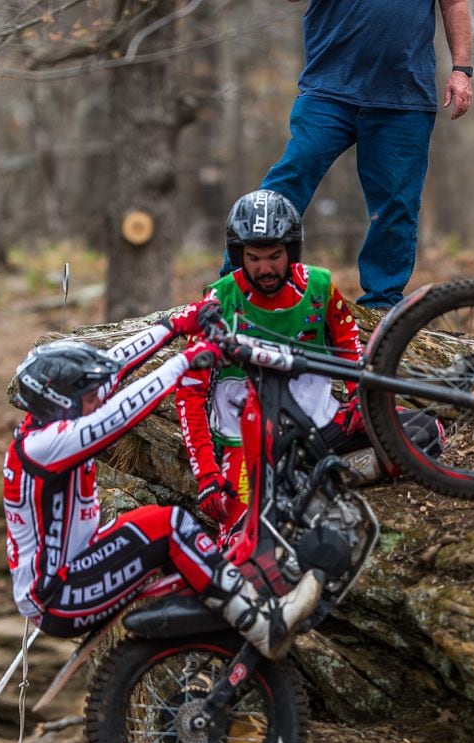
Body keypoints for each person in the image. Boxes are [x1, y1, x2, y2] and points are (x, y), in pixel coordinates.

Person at [2, 320, 321, 659]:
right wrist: (183, 363)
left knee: (161, 531)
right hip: (58, 596)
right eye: (88, 395)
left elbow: (117, 366)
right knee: (170, 525)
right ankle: (260, 623)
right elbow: (115, 416)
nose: (98, 398)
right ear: (58, 401)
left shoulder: (49, 426)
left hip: (76, 566)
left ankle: (213, 632)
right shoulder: (43, 446)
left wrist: (175, 324)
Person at [177, 190, 444, 529]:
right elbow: (189, 394)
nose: (265, 268)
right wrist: (206, 472)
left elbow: (348, 346)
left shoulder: (319, 287)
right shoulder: (216, 303)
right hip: (245, 443)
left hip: (319, 427)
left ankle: (318, 477)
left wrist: (361, 400)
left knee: (426, 433)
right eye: (253, 257)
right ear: (238, 254)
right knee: (244, 532)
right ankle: (308, 484)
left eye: (274, 256)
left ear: (291, 250)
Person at [221, 0, 474, 310]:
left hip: (404, 98)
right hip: (329, 91)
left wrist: (461, 71)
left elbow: (455, 3)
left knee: (396, 204)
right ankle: (234, 284)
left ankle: (381, 303)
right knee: (291, 177)